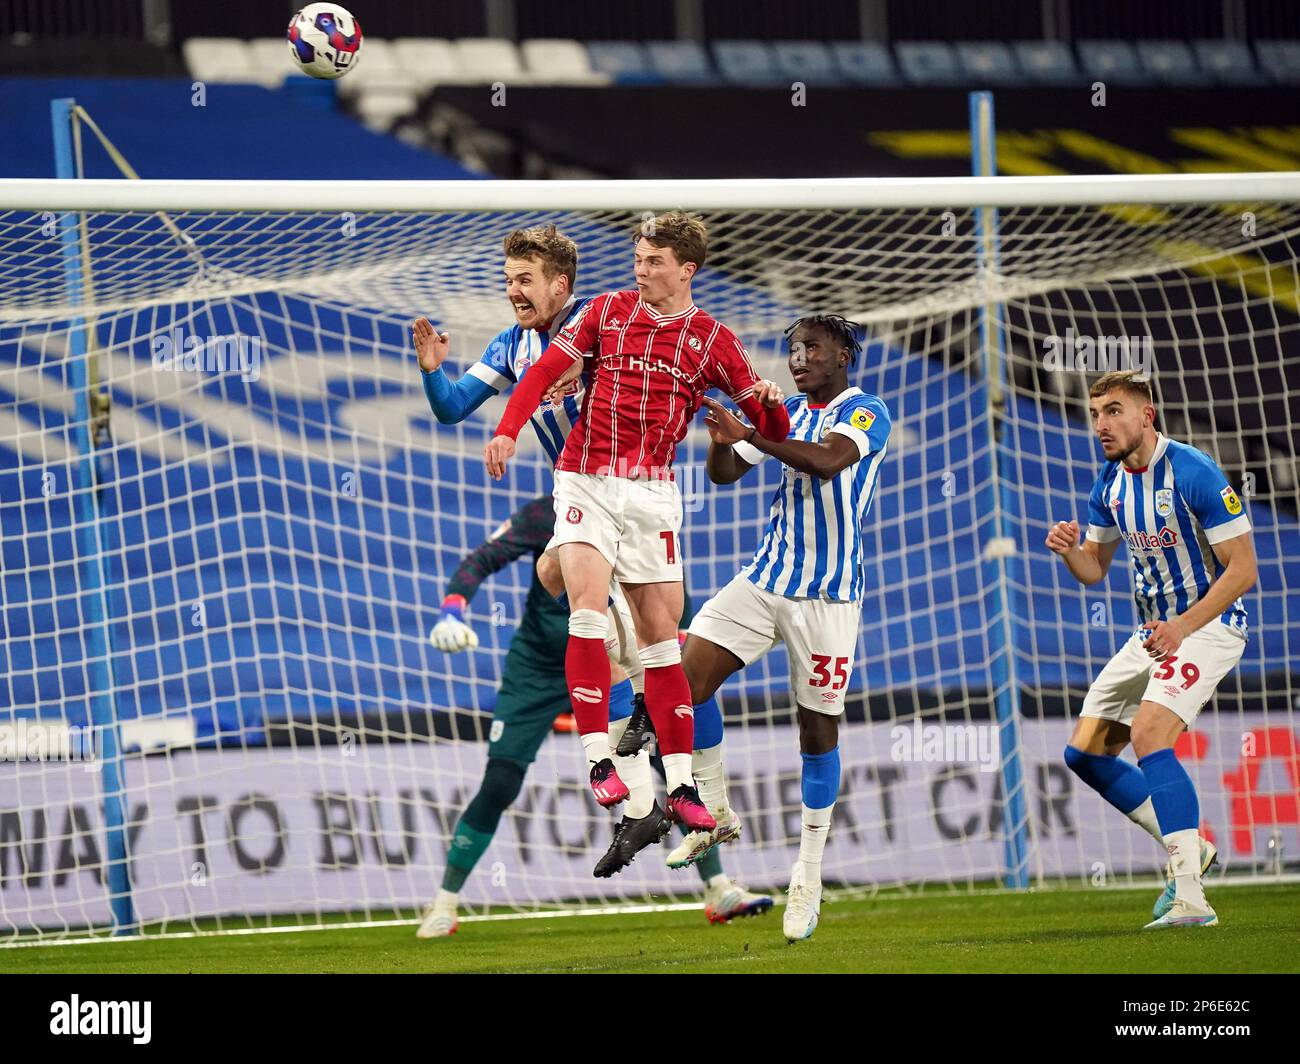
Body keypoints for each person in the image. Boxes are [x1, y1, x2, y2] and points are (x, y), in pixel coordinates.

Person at [483, 212, 791, 855]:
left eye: (654, 261)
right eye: (638, 257)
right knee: (585, 606)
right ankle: (600, 761)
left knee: (660, 640)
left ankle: (680, 786)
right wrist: (509, 427)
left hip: (654, 492)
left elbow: (775, 428)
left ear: (687, 270)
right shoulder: (606, 310)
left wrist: (763, 402)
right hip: (587, 477)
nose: (640, 269)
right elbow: (540, 376)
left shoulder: (712, 339)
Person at [415, 497, 772, 938]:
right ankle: (445, 903)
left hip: (619, 663)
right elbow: (483, 558)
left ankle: (718, 889)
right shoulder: (550, 512)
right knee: (501, 782)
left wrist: (674, 649)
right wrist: (453, 608)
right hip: (541, 668)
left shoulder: (643, 510)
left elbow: (664, 595)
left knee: (668, 761)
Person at [679, 315, 891, 942]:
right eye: (793, 350)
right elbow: (724, 475)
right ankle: (713, 809)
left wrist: (755, 433)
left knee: (817, 731)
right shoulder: (783, 411)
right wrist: (723, 438)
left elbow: (827, 462)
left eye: (813, 349)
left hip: (828, 600)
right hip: (765, 580)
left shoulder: (865, 411)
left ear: (845, 355)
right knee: (679, 686)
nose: (799, 359)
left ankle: (808, 874)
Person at [1048, 370, 1256, 929]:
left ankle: (1191, 898)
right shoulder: (1109, 484)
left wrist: (1184, 626)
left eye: (1114, 411)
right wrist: (1071, 552)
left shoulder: (1195, 472)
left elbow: (1244, 569)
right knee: (1084, 754)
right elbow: (1094, 570)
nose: (1101, 425)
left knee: (1148, 733)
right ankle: (1191, 847)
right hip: (1152, 634)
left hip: (1207, 626)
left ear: (1148, 414)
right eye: (1095, 413)